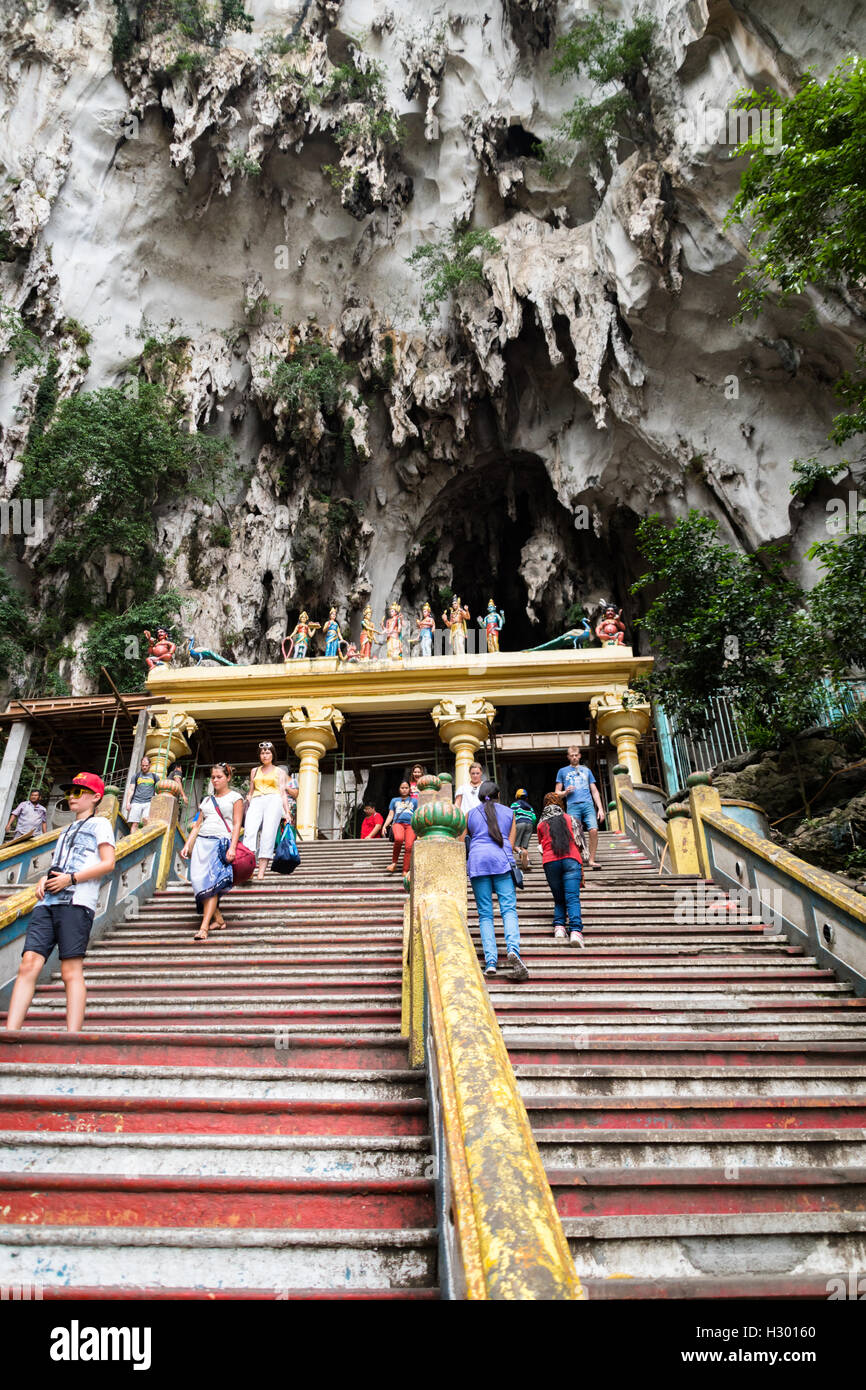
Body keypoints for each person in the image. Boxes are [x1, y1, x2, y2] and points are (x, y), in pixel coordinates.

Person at [5, 772, 115, 1033]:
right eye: (69, 792)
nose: (71, 797)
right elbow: (59, 864)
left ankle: (72, 1036)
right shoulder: (65, 831)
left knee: (70, 969)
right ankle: (10, 1032)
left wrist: (71, 879)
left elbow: (108, 863)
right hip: (47, 903)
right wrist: (44, 879)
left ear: (96, 797)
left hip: (76, 903)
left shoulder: (101, 825)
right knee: (29, 962)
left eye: (78, 792)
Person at [466, 780, 528, 981]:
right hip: (501, 861)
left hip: (477, 862)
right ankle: (513, 951)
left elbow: (461, 841)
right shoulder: (509, 813)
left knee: (485, 914)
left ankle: (491, 961)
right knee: (508, 909)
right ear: (498, 795)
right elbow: (509, 845)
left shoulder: (470, 814)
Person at [180, 762, 243, 941]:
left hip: (219, 843)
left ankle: (204, 927)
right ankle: (219, 919)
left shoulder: (235, 797)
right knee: (199, 882)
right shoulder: (207, 800)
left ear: (228, 778)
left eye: (219, 777)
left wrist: (232, 846)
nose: (215, 780)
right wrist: (187, 844)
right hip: (201, 844)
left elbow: (237, 824)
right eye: (213, 777)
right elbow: (197, 825)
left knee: (211, 885)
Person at [244, 742, 296, 881]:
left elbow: (283, 793)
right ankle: (249, 870)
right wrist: (247, 800)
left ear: (273, 755)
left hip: (274, 800)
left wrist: (287, 812)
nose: (265, 755)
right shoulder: (254, 770)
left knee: (268, 835)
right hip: (257, 800)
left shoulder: (279, 772)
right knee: (249, 833)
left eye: (267, 752)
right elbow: (251, 791)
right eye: (262, 753)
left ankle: (261, 873)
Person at [537, 792, 584, 946]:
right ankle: (576, 932)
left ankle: (559, 928)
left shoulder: (541, 824)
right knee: (572, 897)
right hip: (571, 859)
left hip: (550, 862)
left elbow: (541, 847)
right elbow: (579, 842)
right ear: (561, 805)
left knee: (559, 898)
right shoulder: (571, 819)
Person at [555, 745, 605, 870]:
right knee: (573, 833)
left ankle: (591, 860)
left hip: (587, 804)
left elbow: (594, 791)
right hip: (572, 805)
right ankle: (577, 859)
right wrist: (565, 792)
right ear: (568, 757)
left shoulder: (586, 770)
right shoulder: (562, 771)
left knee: (593, 830)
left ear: (580, 755)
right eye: (571, 756)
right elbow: (556, 793)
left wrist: (600, 809)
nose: (574, 757)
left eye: (576, 755)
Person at [382, 780, 417, 874]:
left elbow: (416, 815)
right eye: (402, 788)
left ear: (409, 789)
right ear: (399, 789)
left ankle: (405, 870)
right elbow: (390, 814)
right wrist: (384, 826)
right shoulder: (394, 800)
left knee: (409, 847)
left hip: (411, 825)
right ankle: (394, 863)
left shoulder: (414, 801)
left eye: (406, 788)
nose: (404, 790)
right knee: (399, 839)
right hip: (398, 823)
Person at [124, 755, 159, 827]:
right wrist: (128, 803)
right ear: (140, 765)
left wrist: (156, 804)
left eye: (146, 765)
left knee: (146, 822)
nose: (144, 767)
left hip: (149, 803)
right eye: (143, 765)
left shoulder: (155, 777)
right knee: (134, 824)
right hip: (136, 802)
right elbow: (131, 789)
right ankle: (133, 838)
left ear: (150, 765)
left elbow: (157, 792)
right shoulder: (136, 776)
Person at [509, 788, 537, 872]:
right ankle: (527, 861)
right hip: (529, 824)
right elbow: (534, 818)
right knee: (524, 846)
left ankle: (520, 853)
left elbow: (511, 815)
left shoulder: (515, 805)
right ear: (527, 798)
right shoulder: (530, 807)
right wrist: (532, 824)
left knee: (514, 845)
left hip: (519, 823)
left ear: (516, 797)